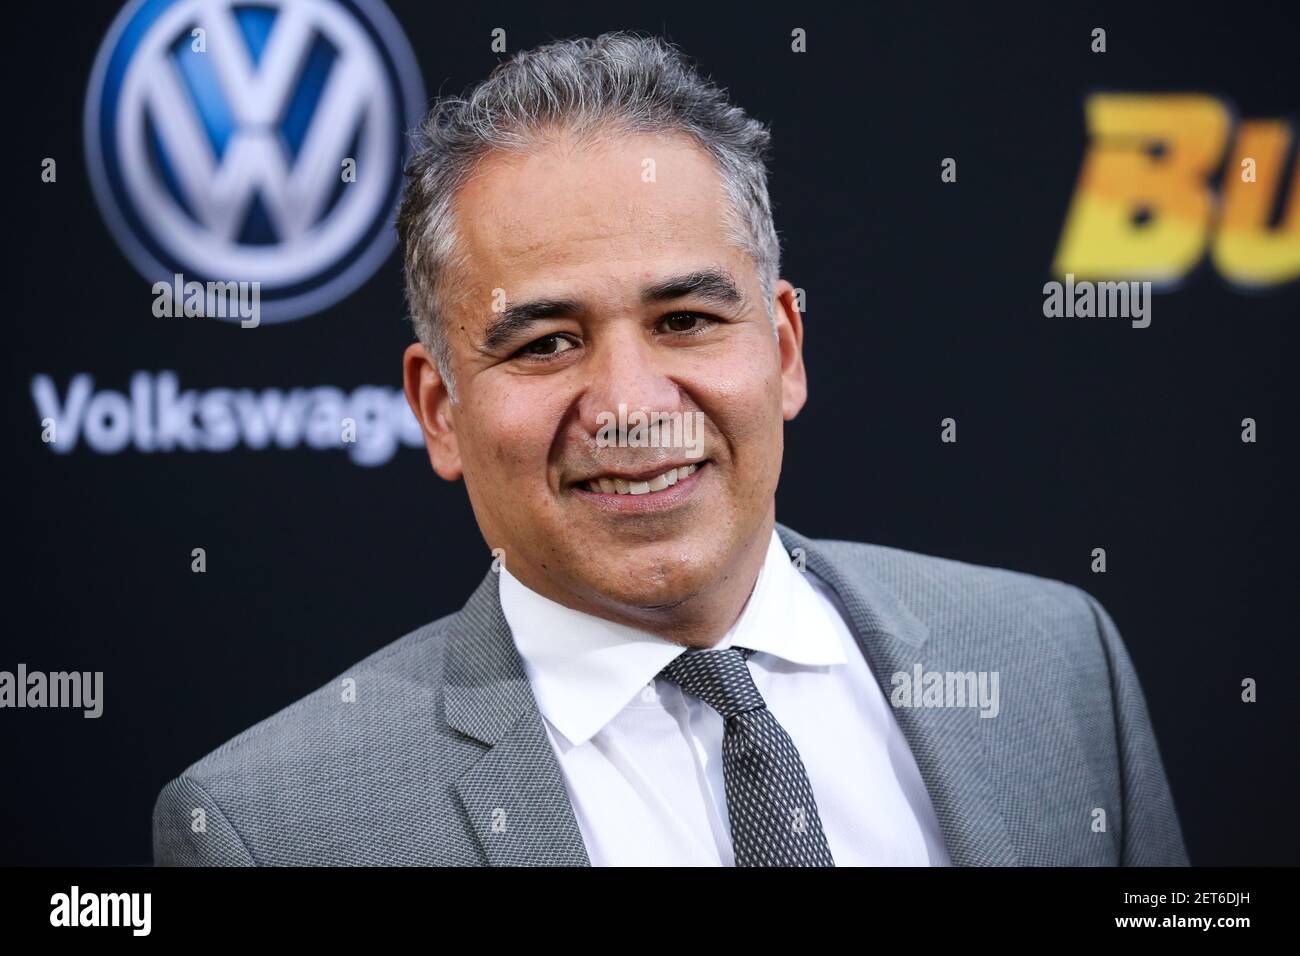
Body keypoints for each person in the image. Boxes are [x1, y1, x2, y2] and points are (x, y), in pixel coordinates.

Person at [153, 32, 1188, 866]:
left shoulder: (1054, 662)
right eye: (547, 342)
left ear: (781, 350)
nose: (631, 405)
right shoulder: (268, 828)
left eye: (686, 319)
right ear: (439, 409)